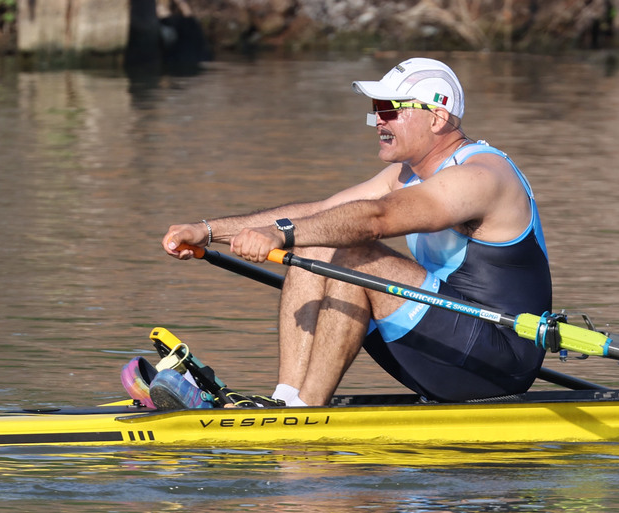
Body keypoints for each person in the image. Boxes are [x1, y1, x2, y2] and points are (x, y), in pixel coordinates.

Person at [160, 57, 551, 407]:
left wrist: (280, 236)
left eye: (389, 109)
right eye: (375, 109)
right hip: (446, 348)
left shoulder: (480, 176)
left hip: (497, 363)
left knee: (354, 251)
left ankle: (306, 410)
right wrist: (208, 231)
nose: (378, 119)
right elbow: (319, 213)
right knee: (316, 240)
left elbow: (374, 219)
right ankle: (286, 401)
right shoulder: (407, 174)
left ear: (436, 117)